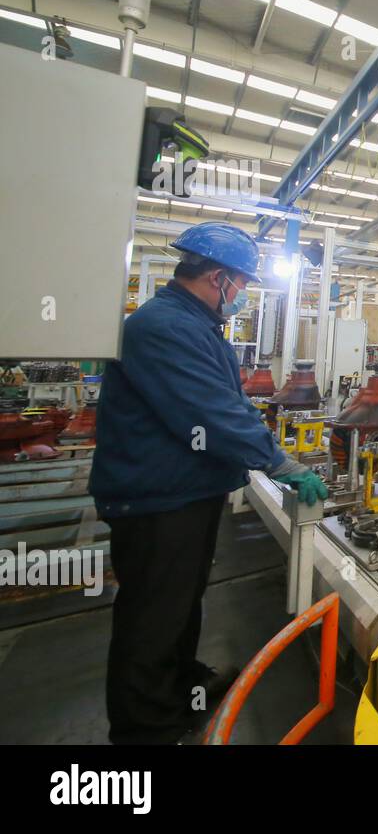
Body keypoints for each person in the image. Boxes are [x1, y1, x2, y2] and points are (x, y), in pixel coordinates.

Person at [89, 221, 328, 744]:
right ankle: (146, 731)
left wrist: (265, 451)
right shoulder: (165, 327)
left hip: (185, 493)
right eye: (240, 284)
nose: (241, 295)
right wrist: (278, 462)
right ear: (216, 277)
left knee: (182, 599)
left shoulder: (195, 326)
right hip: (156, 501)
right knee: (152, 614)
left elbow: (232, 403)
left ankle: (182, 687)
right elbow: (214, 413)